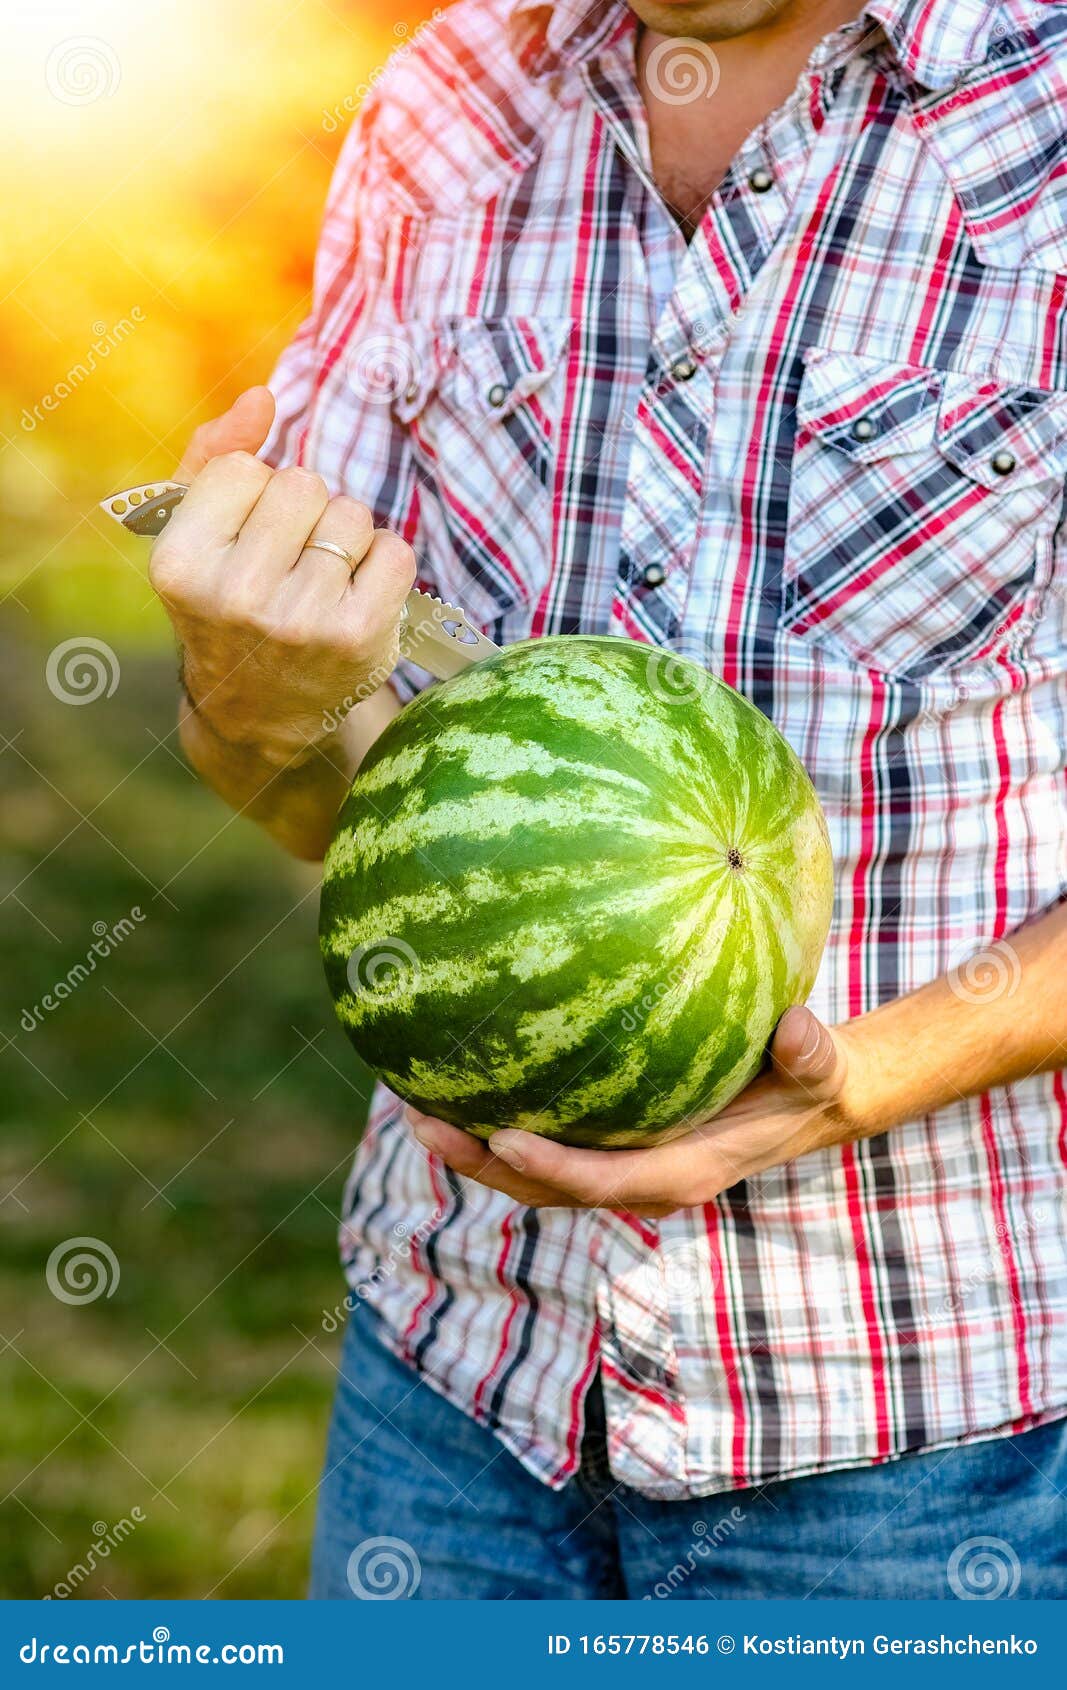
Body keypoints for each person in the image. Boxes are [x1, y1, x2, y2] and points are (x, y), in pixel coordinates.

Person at [150, 0, 1067, 1598]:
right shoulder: (450, 108)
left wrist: (849, 1080)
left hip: (909, 1438)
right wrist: (248, 695)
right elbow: (322, 804)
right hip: (456, 1375)